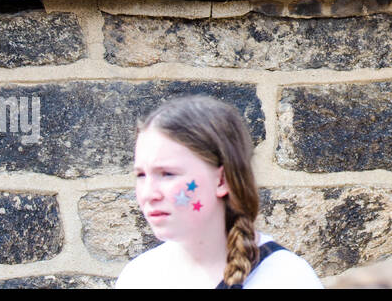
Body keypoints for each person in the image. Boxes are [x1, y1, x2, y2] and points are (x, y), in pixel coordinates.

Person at [116, 95, 323, 289]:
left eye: (168, 174)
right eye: (141, 175)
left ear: (222, 180)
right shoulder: (139, 276)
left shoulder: (286, 278)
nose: (149, 194)